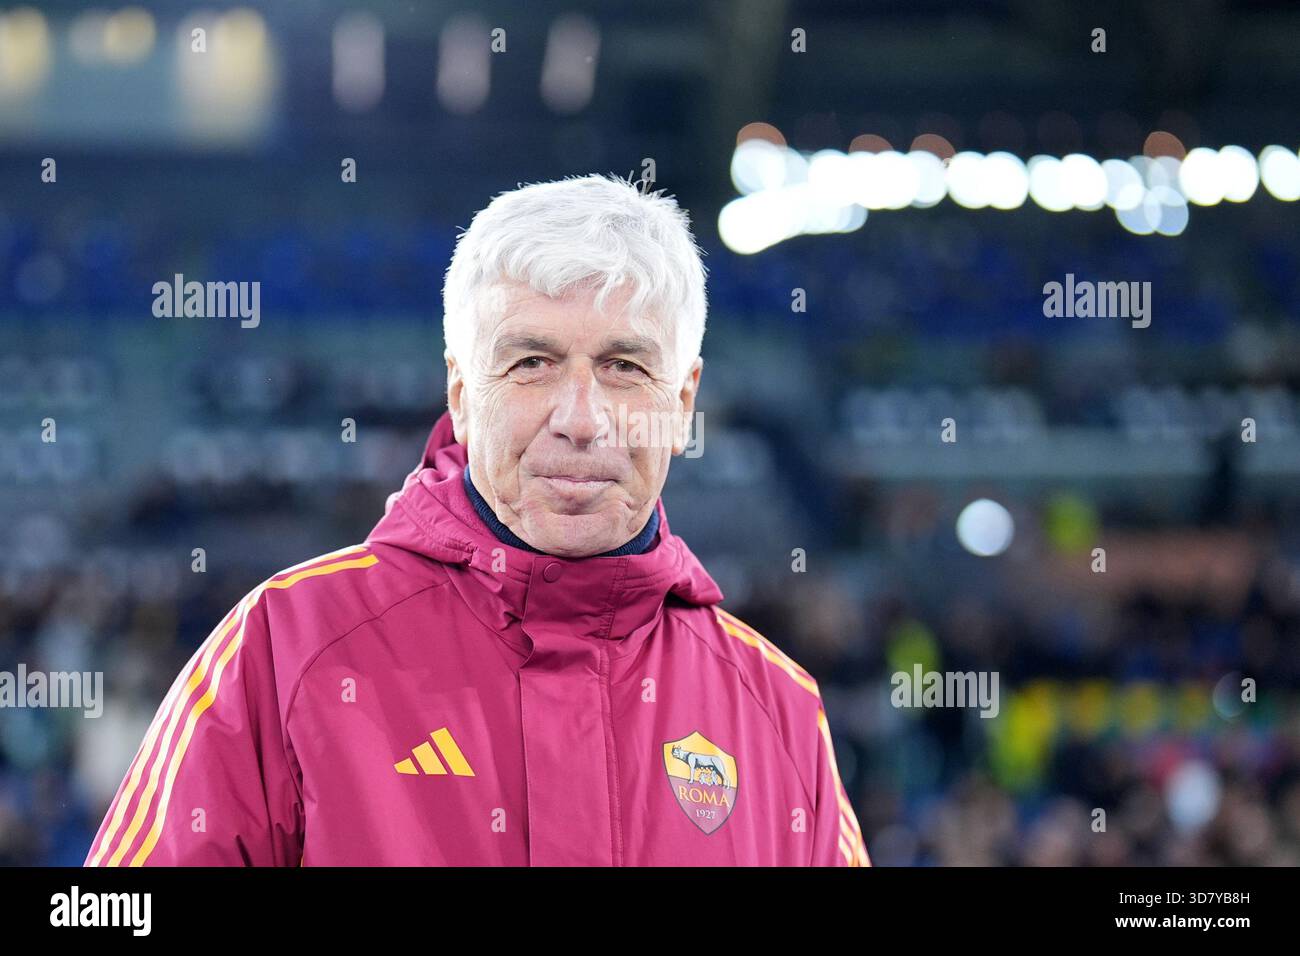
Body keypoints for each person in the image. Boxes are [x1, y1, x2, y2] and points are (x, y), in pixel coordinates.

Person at [85, 175, 870, 866]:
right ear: (461, 394)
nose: (581, 419)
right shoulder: (285, 649)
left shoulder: (780, 711)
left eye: (624, 367)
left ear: (684, 401)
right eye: (531, 363)